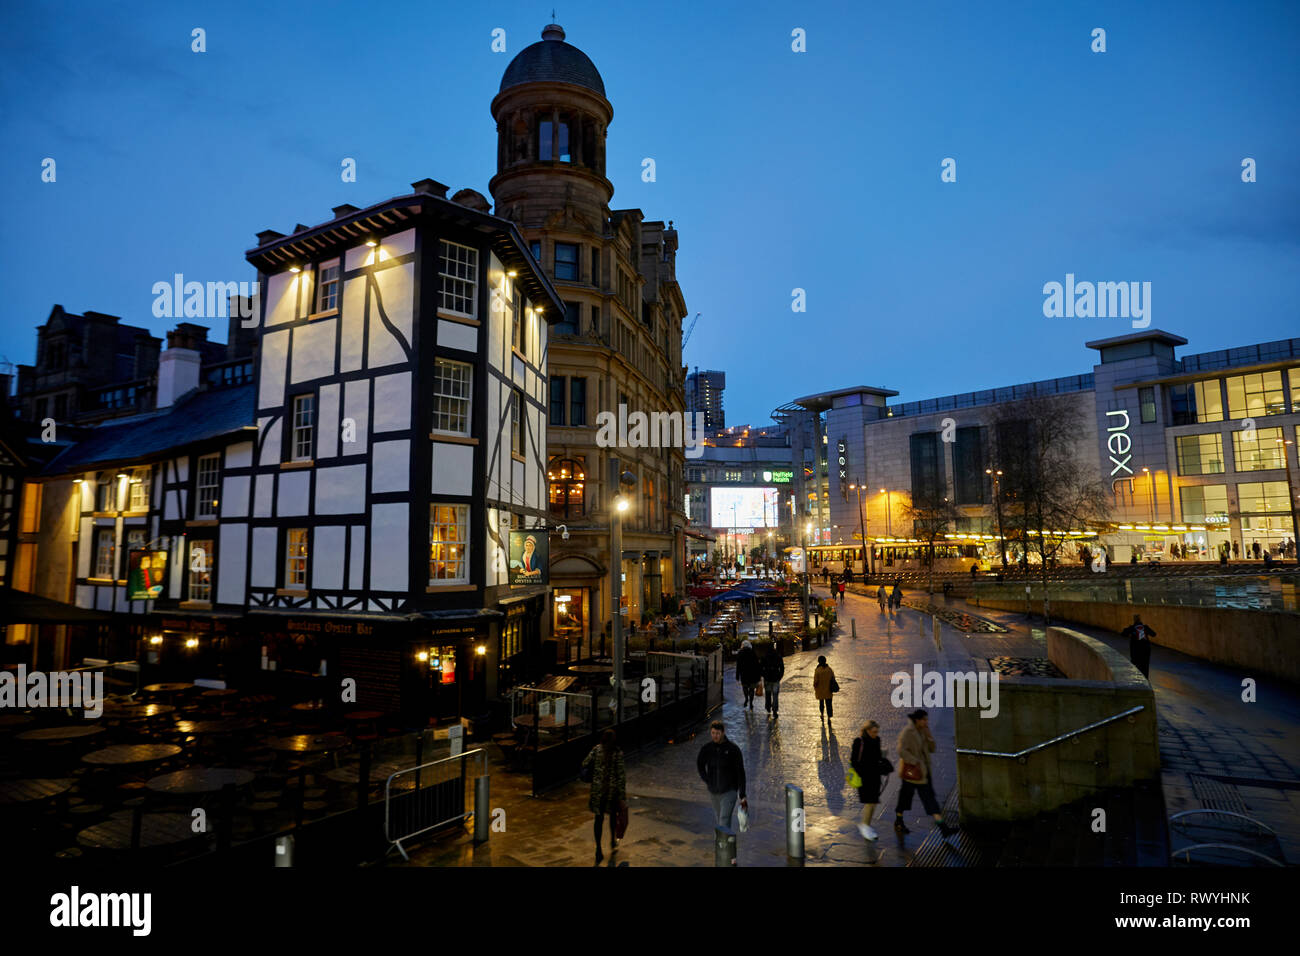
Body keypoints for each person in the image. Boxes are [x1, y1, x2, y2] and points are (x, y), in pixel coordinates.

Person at [894, 709, 957, 837]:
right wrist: (914, 761)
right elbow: (901, 751)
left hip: (923, 772)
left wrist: (929, 735)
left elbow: (932, 749)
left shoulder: (923, 731)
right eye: (924, 719)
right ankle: (899, 820)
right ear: (917, 720)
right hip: (912, 773)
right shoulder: (907, 732)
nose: (926, 722)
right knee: (905, 799)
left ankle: (943, 828)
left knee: (929, 799)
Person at [581, 729, 627, 863]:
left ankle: (598, 848)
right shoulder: (617, 754)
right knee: (612, 817)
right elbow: (621, 776)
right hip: (612, 792)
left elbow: (585, 763)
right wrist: (622, 797)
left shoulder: (596, 750)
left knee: (598, 819)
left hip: (597, 791)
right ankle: (612, 840)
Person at [697, 720, 747, 830]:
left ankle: (720, 845)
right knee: (720, 819)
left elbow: (740, 772)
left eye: (717, 733)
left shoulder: (733, 749)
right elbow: (700, 764)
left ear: (723, 733)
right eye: (713, 733)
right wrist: (707, 780)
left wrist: (742, 794)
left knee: (723, 819)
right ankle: (726, 844)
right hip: (713, 792)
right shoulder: (707, 749)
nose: (715, 736)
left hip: (729, 791)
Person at [851, 720, 890, 840]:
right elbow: (854, 760)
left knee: (873, 802)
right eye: (873, 732)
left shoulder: (877, 740)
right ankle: (865, 826)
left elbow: (877, 756)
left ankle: (866, 825)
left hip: (875, 776)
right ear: (867, 730)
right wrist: (861, 773)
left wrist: (883, 755)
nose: (876, 734)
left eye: (877, 732)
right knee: (870, 802)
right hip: (865, 778)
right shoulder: (859, 742)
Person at [1122, 613, 1156, 679]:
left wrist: (1128, 629)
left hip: (1136, 650)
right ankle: (1146, 680)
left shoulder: (1132, 628)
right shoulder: (1145, 627)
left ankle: (1138, 680)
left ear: (1134, 620)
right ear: (1140, 619)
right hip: (1146, 650)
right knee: (1145, 666)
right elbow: (1154, 634)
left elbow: (1123, 634)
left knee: (1136, 666)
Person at [735, 640, 761, 710]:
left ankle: (746, 698)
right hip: (752, 674)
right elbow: (757, 665)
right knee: (752, 689)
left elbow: (738, 665)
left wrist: (737, 675)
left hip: (744, 674)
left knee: (745, 687)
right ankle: (751, 702)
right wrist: (759, 676)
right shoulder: (753, 652)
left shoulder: (740, 653)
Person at [761, 645, 784, 716]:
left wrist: (764, 675)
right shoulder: (778, 656)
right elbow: (782, 668)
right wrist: (779, 676)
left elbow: (761, 668)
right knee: (775, 695)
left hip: (767, 678)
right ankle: (774, 710)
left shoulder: (764, 656)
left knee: (768, 694)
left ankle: (768, 707)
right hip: (776, 678)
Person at [813, 655, 836, 721]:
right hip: (828, 691)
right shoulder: (829, 670)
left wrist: (815, 687)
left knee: (821, 704)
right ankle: (829, 718)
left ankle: (822, 714)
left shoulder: (817, 670)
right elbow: (833, 679)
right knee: (829, 705)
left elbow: (815, 682)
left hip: (820, 691)